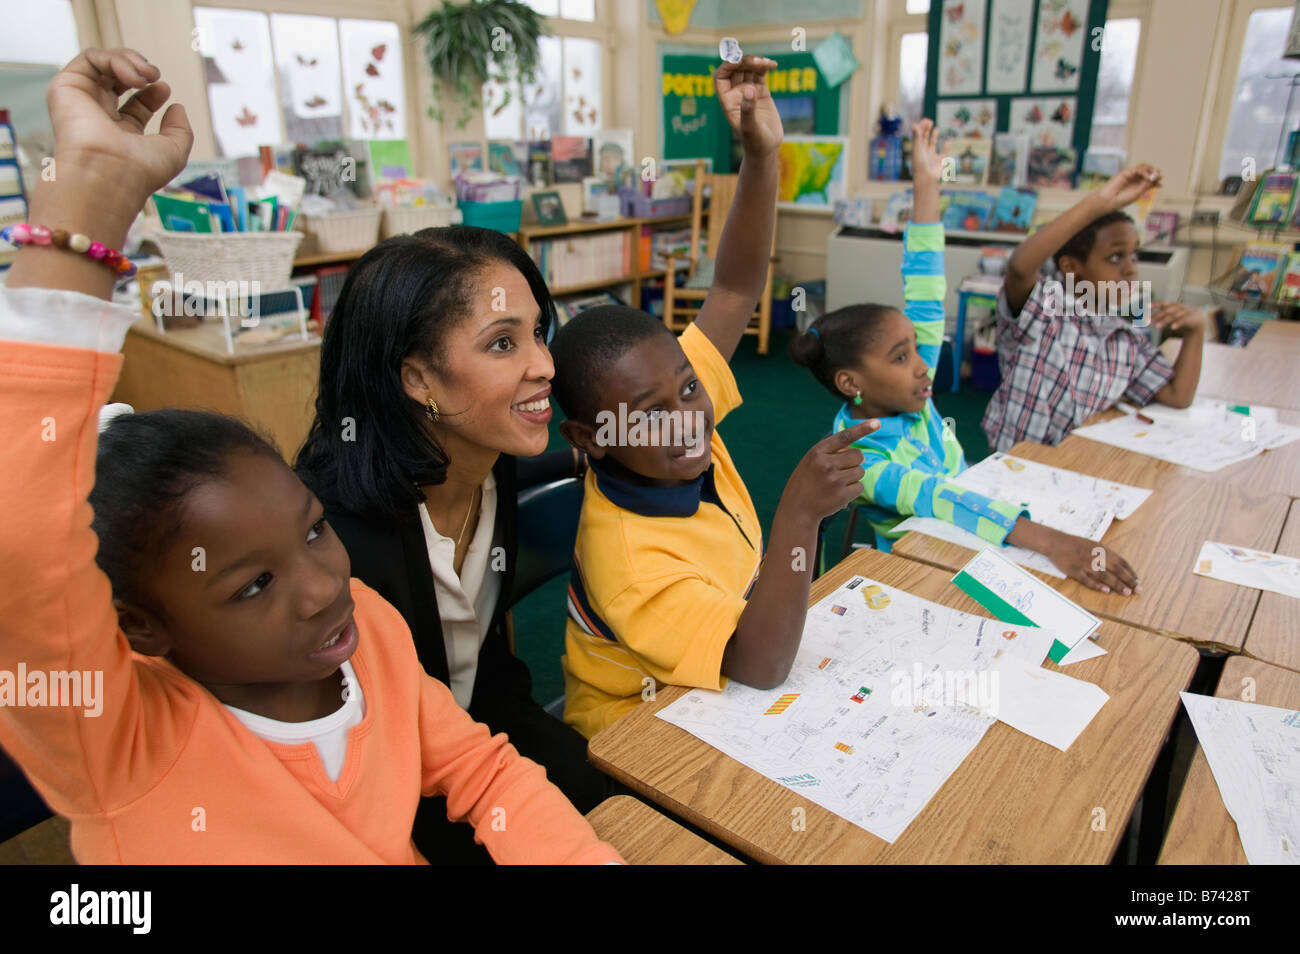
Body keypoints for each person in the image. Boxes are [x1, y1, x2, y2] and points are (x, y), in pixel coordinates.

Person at [0, 47, 620, 865]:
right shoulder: (128, 747)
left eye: (314, 532)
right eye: (253, 583)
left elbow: (475, 762)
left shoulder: (372, 630)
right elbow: (26, 556)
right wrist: (89, 192)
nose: (323, 583)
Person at [549, 55, 879, 739]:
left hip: (721, 673)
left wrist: (761, 157)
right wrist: (798, 517)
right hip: (637, 738)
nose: (688, 420)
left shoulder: (669, 420)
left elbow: (732, 287)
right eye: (650, 413)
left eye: (690, 387)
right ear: (592, 437)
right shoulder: (630, 562)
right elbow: (758, 664)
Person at [295, 165, 608, 866]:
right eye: (504, 343)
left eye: (538, 333)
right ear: (417, 379)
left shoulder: (492, 459)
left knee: (632, 807)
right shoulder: (331, 539)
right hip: (385, 797)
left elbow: (486, 675)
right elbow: (344, 768)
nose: (546, 366)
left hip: (484, 742)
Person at [790, 120, 1140, 594]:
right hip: (923, 568)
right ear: (853, 383)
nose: (922, 365)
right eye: (900, 357)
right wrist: (1055, 542)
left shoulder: (906, 388)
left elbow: (927, 289)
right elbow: (940, 498)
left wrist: (927, 183)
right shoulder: (858, 459)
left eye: (916, 347)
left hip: (981, 526)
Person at [981, 163, 1205, 453]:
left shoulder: (1126, 337)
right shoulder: (1045, 308)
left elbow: (1178, 395)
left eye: (1134, 255)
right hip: (1014, 466)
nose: (1130, 269)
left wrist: (1196, 331)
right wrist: (1098, 204)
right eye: (1115, 258)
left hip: (1075, 469)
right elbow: (1020, 267)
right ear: (1071, 267)